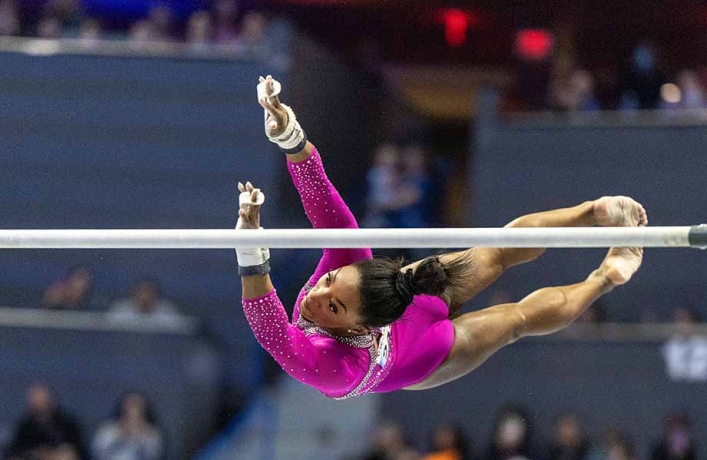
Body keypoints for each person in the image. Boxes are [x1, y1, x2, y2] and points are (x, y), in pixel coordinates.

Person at [239, 75, 647, 401]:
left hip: (409, 297)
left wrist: (290, 144)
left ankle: (593, 212)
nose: (313, 297)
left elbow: (275, 317)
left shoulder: (355, 287)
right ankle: (606, 276)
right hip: (424, 355)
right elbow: (274, 321)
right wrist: (291, 145)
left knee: (496, 251)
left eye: (330, 297)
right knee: (516, 320)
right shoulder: (335, 365)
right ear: (360, 322)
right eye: (331, 296)